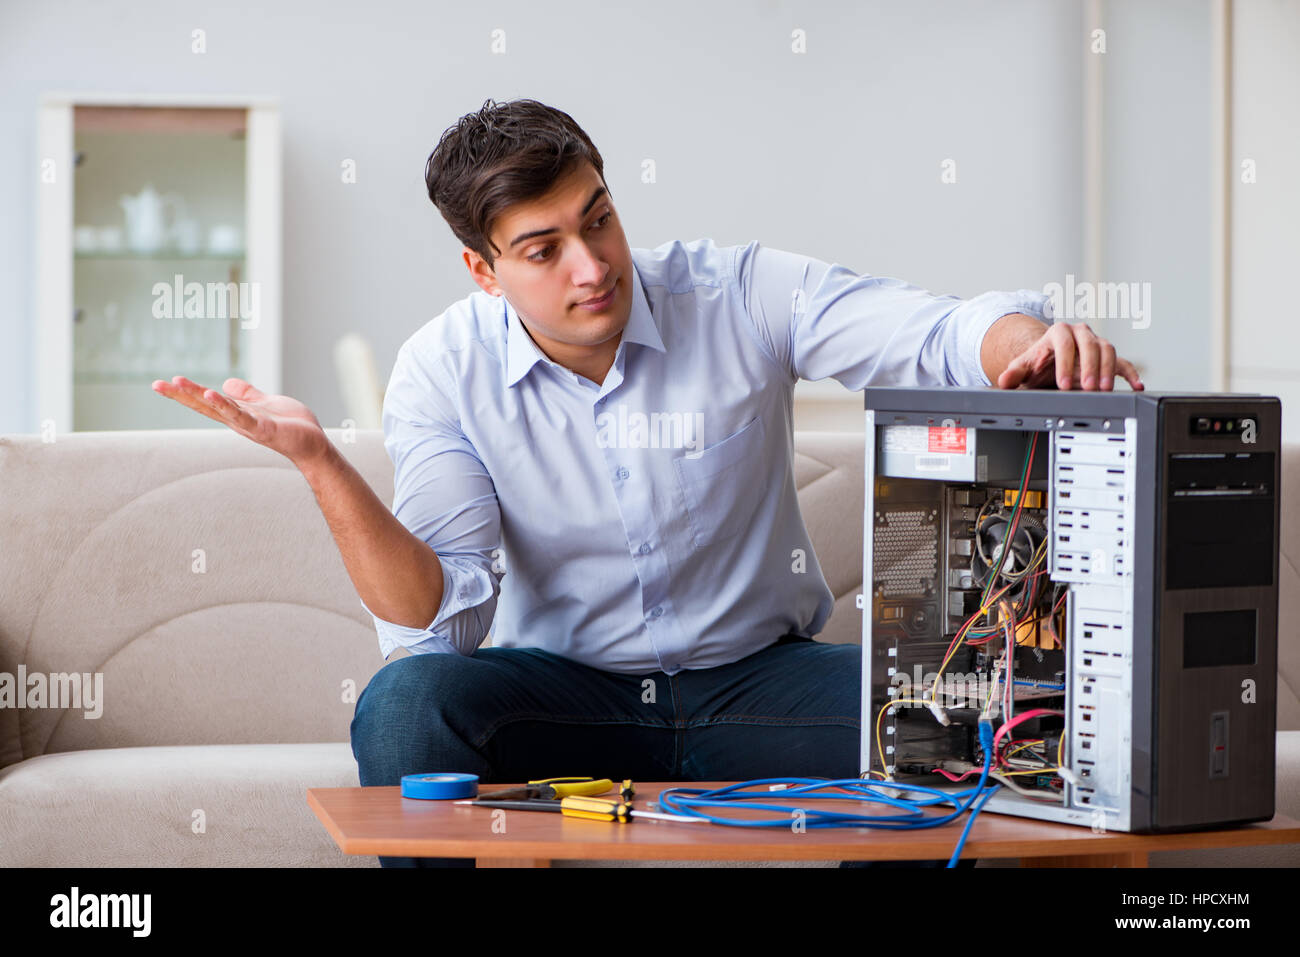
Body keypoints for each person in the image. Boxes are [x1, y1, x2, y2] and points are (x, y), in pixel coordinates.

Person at [154, 97, 1144, 869]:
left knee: (980, 706)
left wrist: (1032, 342)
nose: (592, 267)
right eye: (543, 251)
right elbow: (439, 623)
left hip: (757, 684)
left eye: (600, 220)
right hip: (566, 698)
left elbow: (926, 334)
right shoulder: (441, 369)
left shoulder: (738, 291)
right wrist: (322, 463)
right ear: (483, 270)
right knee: (406, 705)